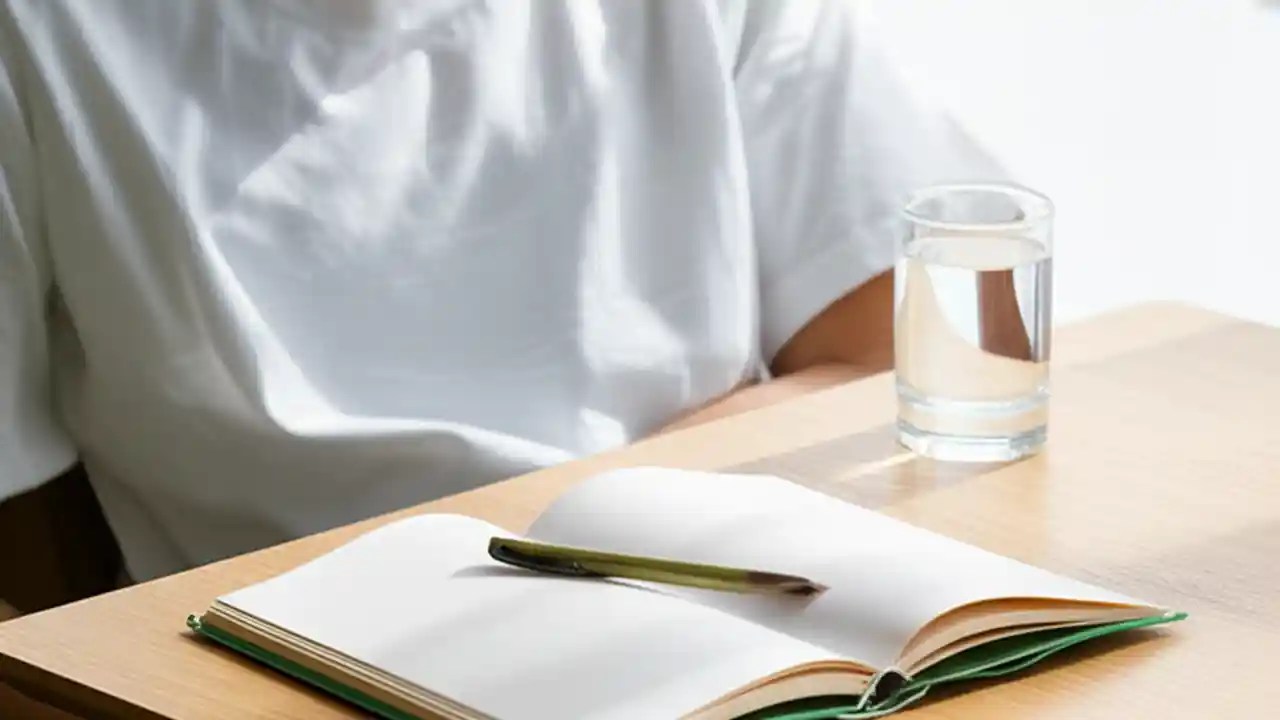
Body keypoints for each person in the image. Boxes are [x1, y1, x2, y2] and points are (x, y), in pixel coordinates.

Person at [0, 0, 1000, 589]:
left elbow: (943, 349)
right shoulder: (41, 36)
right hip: (278, 658)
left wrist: (585, 536)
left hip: (712, 588)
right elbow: (25, 541)